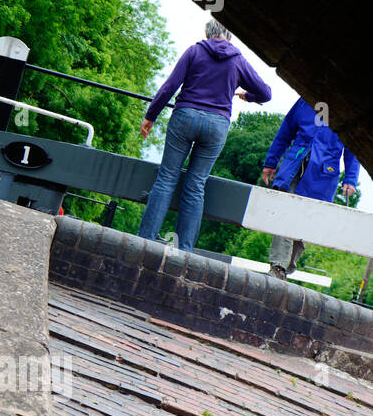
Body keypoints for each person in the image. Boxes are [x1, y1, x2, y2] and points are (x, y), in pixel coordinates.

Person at [137, 19, 271, 251]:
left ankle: (146, 240)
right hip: (217, 125)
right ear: (230, 36)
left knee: (167, 178)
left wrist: (151, 116)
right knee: (196, 184)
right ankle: (185, 250)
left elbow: (169, 87)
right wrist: (247, 97)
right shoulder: (237, 60)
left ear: (207, 33)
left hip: (185, 117)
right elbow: (266, 93)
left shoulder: (195, 51)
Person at [260, 98, 361, 278]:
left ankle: (286, 267)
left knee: (305, 222)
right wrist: (271, 162)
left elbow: (354, 145)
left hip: (323, 174)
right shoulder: (305, 99)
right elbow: (286, 130)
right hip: (294, 165)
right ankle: (278, 267)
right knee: (285, 213)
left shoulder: (349, 106)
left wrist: (351, 179)